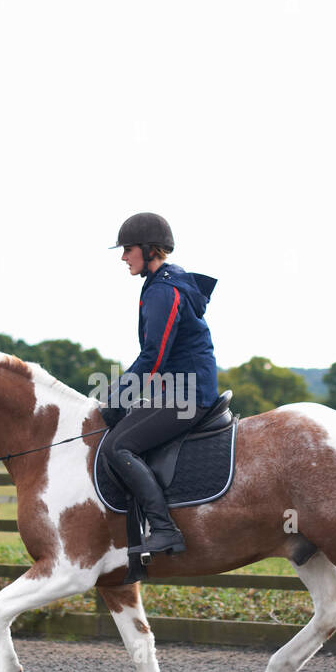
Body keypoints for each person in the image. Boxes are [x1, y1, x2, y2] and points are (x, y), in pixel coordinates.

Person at [99, 212, 219, 557]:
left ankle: (165, 529)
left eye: (128, 249)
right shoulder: (164, 283)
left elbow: (154, 355)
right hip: (178, 388)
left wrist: (119, 393)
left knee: (118, 447)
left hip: (188, 393)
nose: (123, 257)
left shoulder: (163, 291)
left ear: (149, 250)